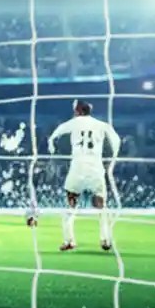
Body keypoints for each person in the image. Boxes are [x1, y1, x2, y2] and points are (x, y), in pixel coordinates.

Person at [48, 101, 121, 252]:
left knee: (70, 203)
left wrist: (51, 146)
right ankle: (105, 239)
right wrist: (113, 159)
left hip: (78, 168)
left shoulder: (73, 123)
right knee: (101, 205)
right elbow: (116, 140)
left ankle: (69, 240)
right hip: (96, 168)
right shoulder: (102, 125)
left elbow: (57, 132)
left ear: (78, 110)